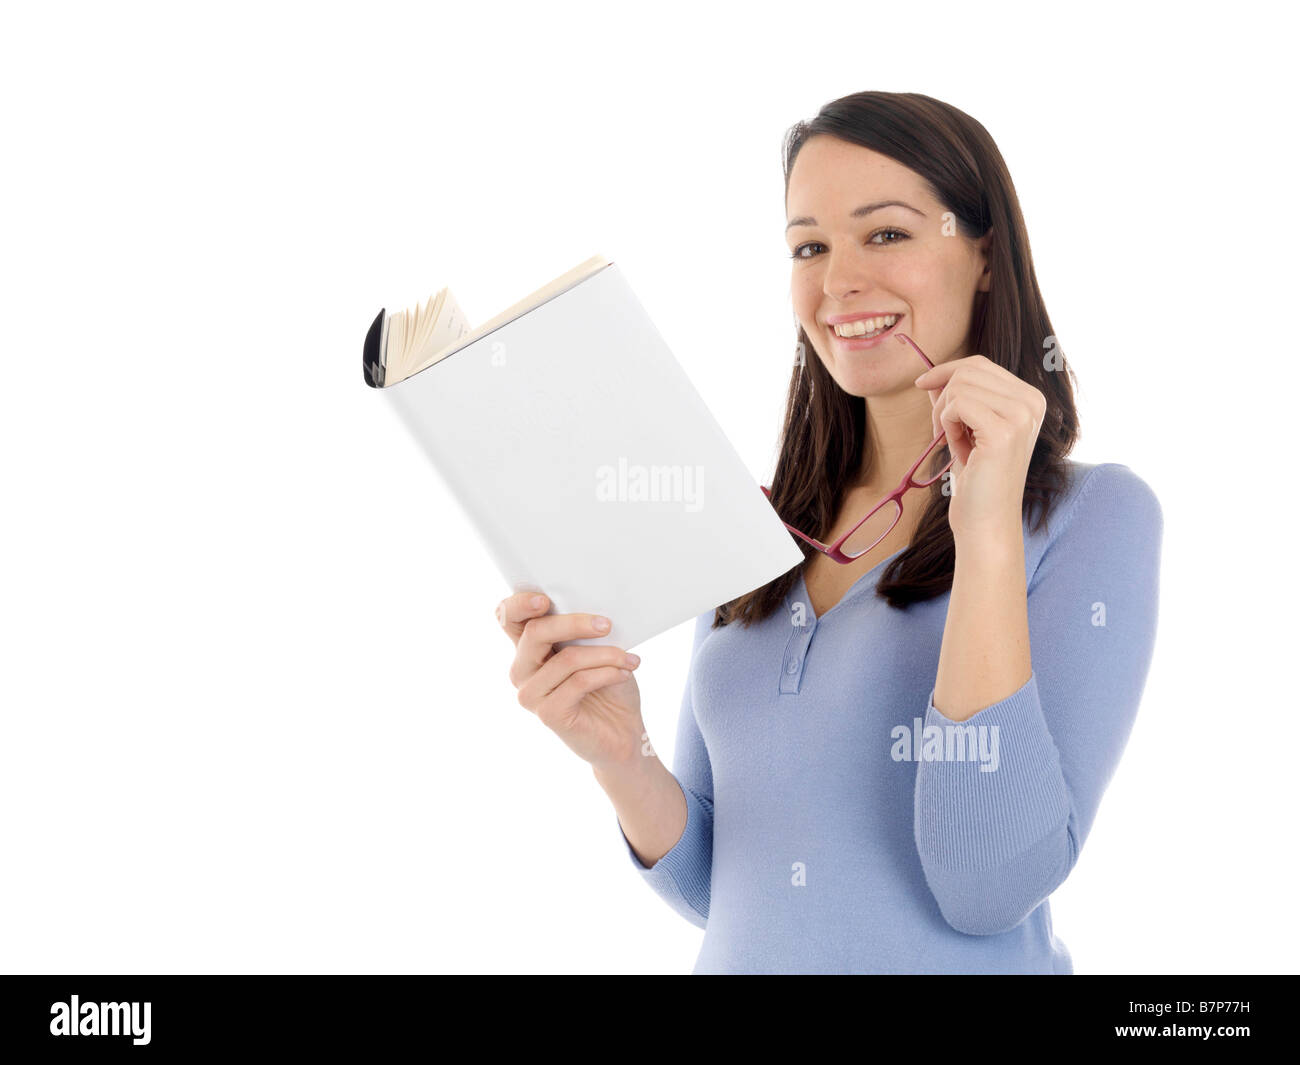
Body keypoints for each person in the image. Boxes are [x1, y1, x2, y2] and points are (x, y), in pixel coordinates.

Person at [496, 91, 1162, 974]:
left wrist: (987, 530)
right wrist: (623, 754)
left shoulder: (1093, 516)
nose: (837, 280)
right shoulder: (754, 528)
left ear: (988, 255)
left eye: (885, 234)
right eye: (808, 246)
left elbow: (989, 884)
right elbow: (722, 891)